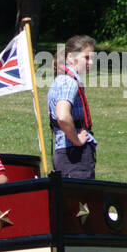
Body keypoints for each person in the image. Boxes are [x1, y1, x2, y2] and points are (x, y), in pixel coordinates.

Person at [47, 35, 97, 178]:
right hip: (73, 155)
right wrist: (77, 140)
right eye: (86, 58)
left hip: (69, 153)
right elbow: (62, 116)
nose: (91, 62)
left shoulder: (65, 80)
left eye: (92, 58)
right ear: (70, 57)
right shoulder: (67, 82)